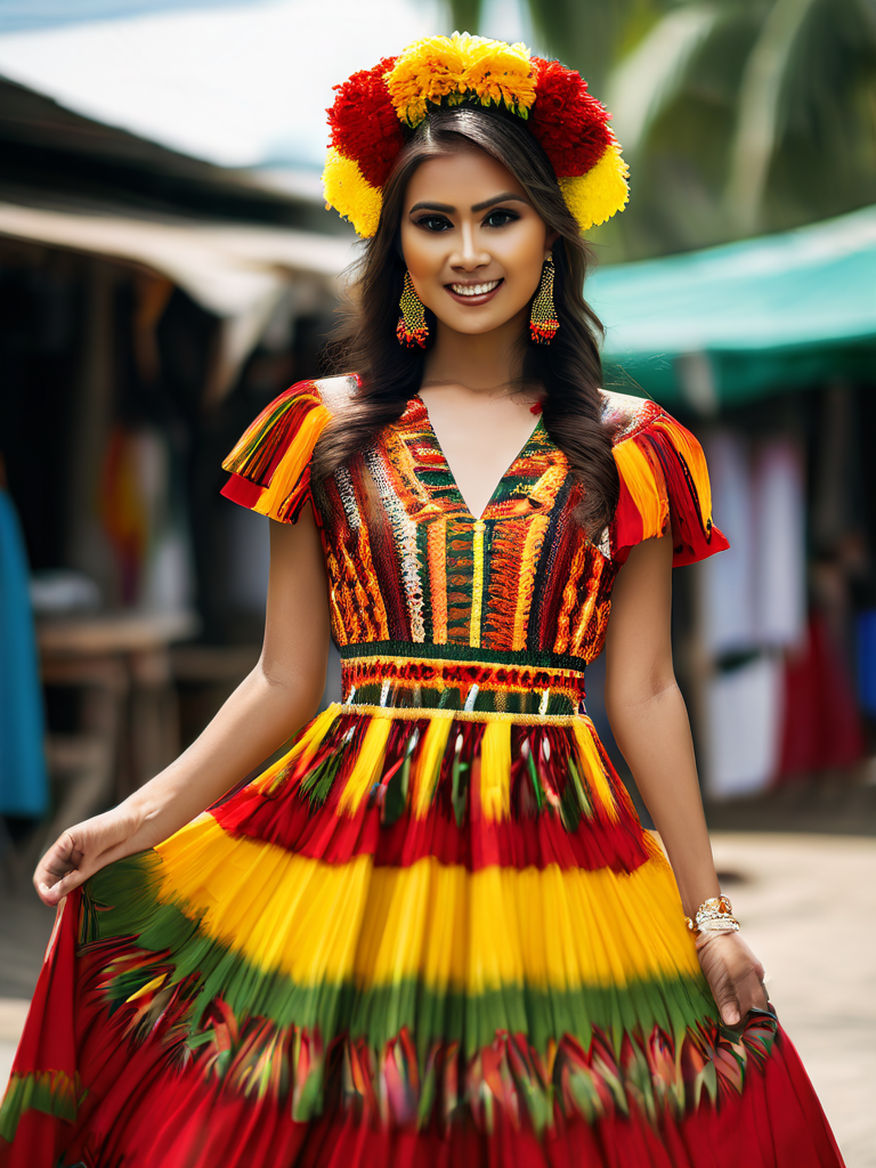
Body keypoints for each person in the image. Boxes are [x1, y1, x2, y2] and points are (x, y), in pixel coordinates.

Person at [0, 32, 846, 1167]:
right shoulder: (320, 427)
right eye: (434, 222)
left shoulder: (634, 445)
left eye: (500, 217)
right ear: (396, 242)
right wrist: (135, 817)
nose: (469, 252)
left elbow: (645, 691)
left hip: (560, 855)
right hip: (348, 850)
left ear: (552, 234)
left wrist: (712, 918)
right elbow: (283, 678)